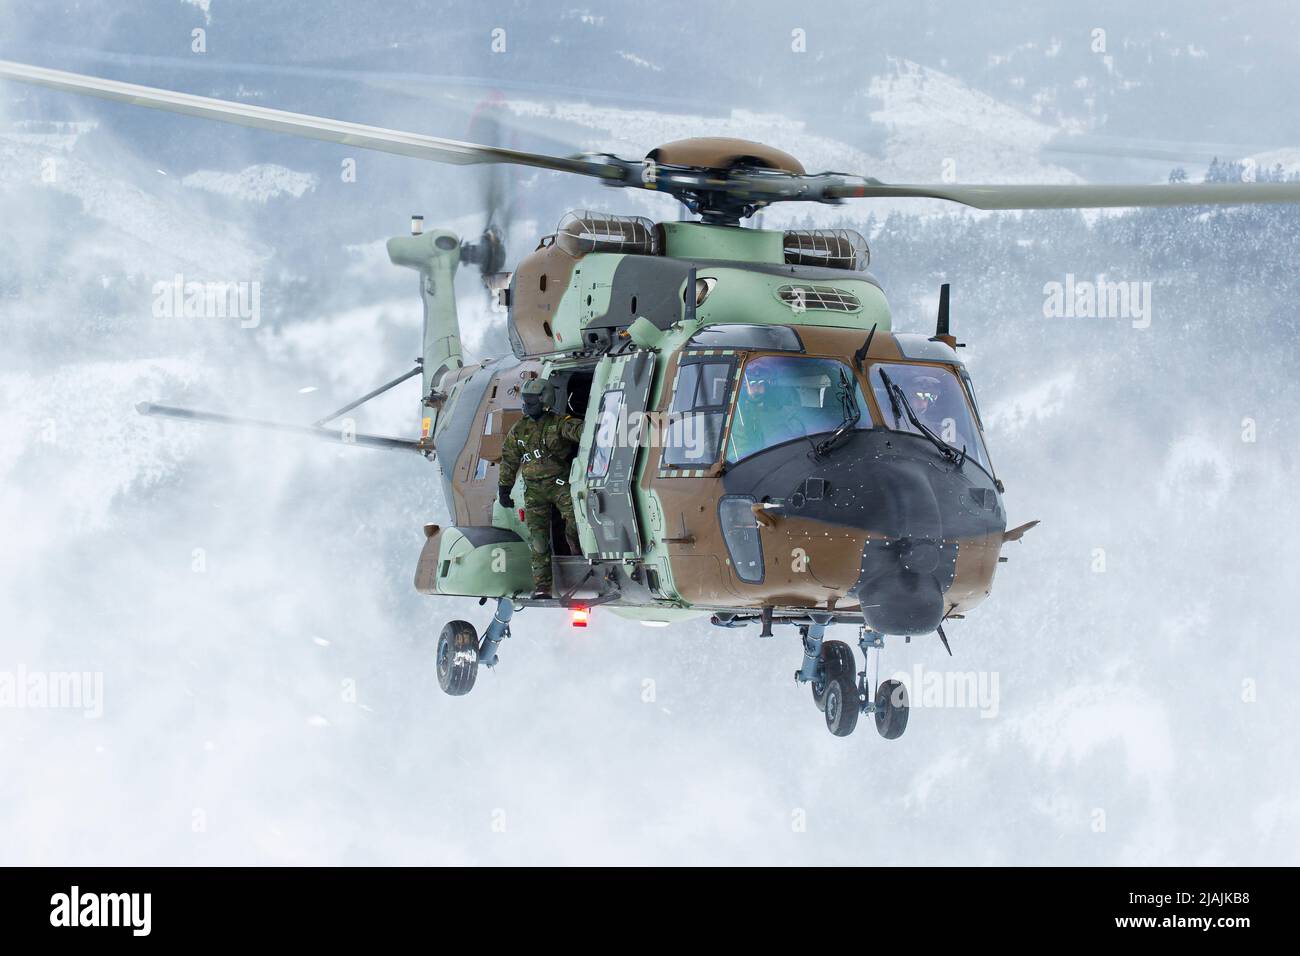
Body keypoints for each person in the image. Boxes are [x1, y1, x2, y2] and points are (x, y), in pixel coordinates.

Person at [498, 378, 584, 599]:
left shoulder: (559, 423)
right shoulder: (519, 430)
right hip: (534, 491)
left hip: (559, 484)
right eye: (525, 401)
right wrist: (504, 489)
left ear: (544, 400)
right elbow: (509, 460)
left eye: (532, 401)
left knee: (575, 519)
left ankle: (576, 550)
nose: (527, 406)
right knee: (537, 540)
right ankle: (543, 587)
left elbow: (580, 431)